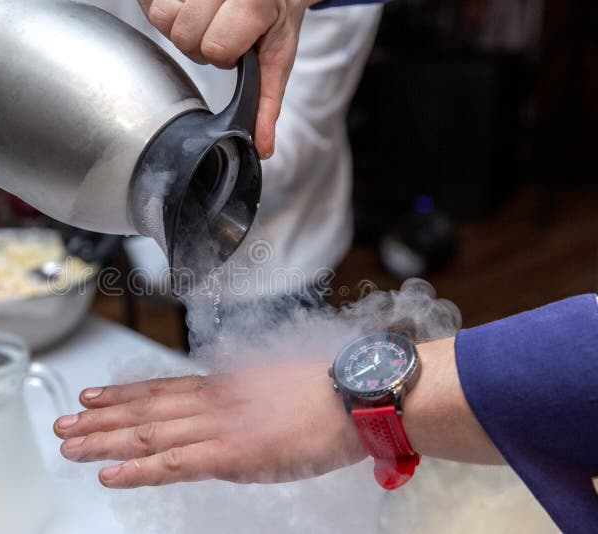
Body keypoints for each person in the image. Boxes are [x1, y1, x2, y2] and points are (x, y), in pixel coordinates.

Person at [54, 2, 598, 533]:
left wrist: (357, 407)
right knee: (210, 415)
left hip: (286, 247)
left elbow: (289, 141)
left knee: (276, 445)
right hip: (175, 245)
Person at [87, 0, 383, 297]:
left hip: (281, 252)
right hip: (167, 238)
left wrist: (157, 195)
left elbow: (293, 139)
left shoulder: (340, 13)